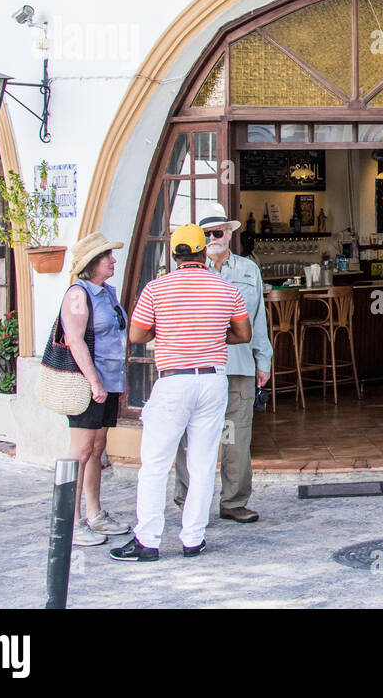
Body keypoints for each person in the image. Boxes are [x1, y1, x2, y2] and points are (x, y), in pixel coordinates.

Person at [112, 223, 251, 562]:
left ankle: (148, 540)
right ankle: (193, 538)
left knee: (156, 463)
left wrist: (167, 332)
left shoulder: (156, 288)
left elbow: (137, 335)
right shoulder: (225, 287)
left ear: (175, 255)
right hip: (213, 380)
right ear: (203, 252)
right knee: (203, 462)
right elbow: (243, 333)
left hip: (173, 380)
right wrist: (217, 338)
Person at [172, 204, 273, 524]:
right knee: (189, 436)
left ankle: (234, 500)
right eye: (207, 234)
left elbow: (258, 319)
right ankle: (186, 499)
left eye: (219, 232)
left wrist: (264, 359)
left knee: (236, 436)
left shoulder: (248, 270)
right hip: (196, 365)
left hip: (237, 365)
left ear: (230, 234)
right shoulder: (186, 273)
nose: (214, 238)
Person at [61, 232, 130, 547]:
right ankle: (70, 521)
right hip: (89, 383)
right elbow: (75, 340)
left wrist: (117, 382)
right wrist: (94, 382)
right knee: (81, 450)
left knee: (97, 448)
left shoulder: (107, 293)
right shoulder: (78, 294)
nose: (113, 260)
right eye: (107, 257)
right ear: (92, 263)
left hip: (109, 382)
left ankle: (94, 512)